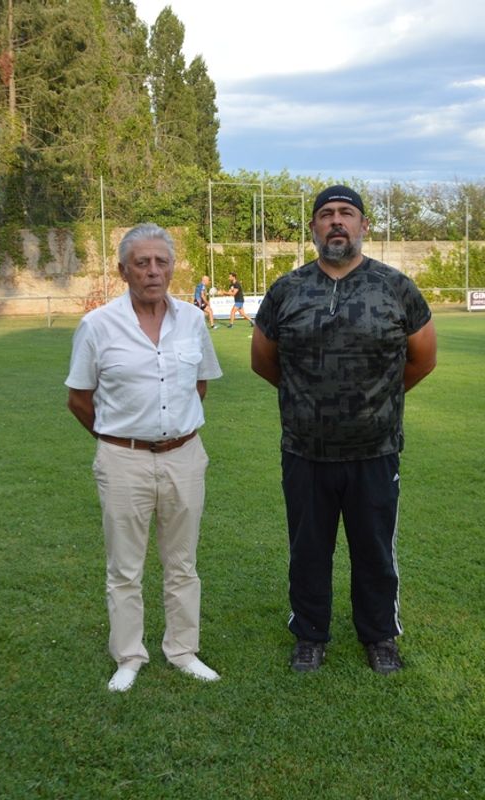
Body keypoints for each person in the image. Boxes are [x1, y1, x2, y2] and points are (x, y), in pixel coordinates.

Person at [251, 185, 437, 676]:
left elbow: (423, 359)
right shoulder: (286, 290)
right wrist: (308, 402)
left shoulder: (395, 287)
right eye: (326, 214)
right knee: (308, 550)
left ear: (363, 226)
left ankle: (379, 637)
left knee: (374, 551)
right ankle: (310, 636)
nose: (336, 221)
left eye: (346, 214)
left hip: (375, 451)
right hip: (305, 451)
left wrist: (377, 402)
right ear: (313, 227)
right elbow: (265, 362)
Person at [66, 222, 223, 693]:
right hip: (122, 461)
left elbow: (200, 385)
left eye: (162, 262)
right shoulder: (97, 325)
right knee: (124, 568)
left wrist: (172, 431)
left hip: (185, 457)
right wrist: (122, 436)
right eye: (142, 262)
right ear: (123, 270)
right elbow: (79, 398)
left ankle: (182, 650)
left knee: (183, 563)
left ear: (172, 268)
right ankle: (129, 656)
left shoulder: (194, 321)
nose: (153, 271)